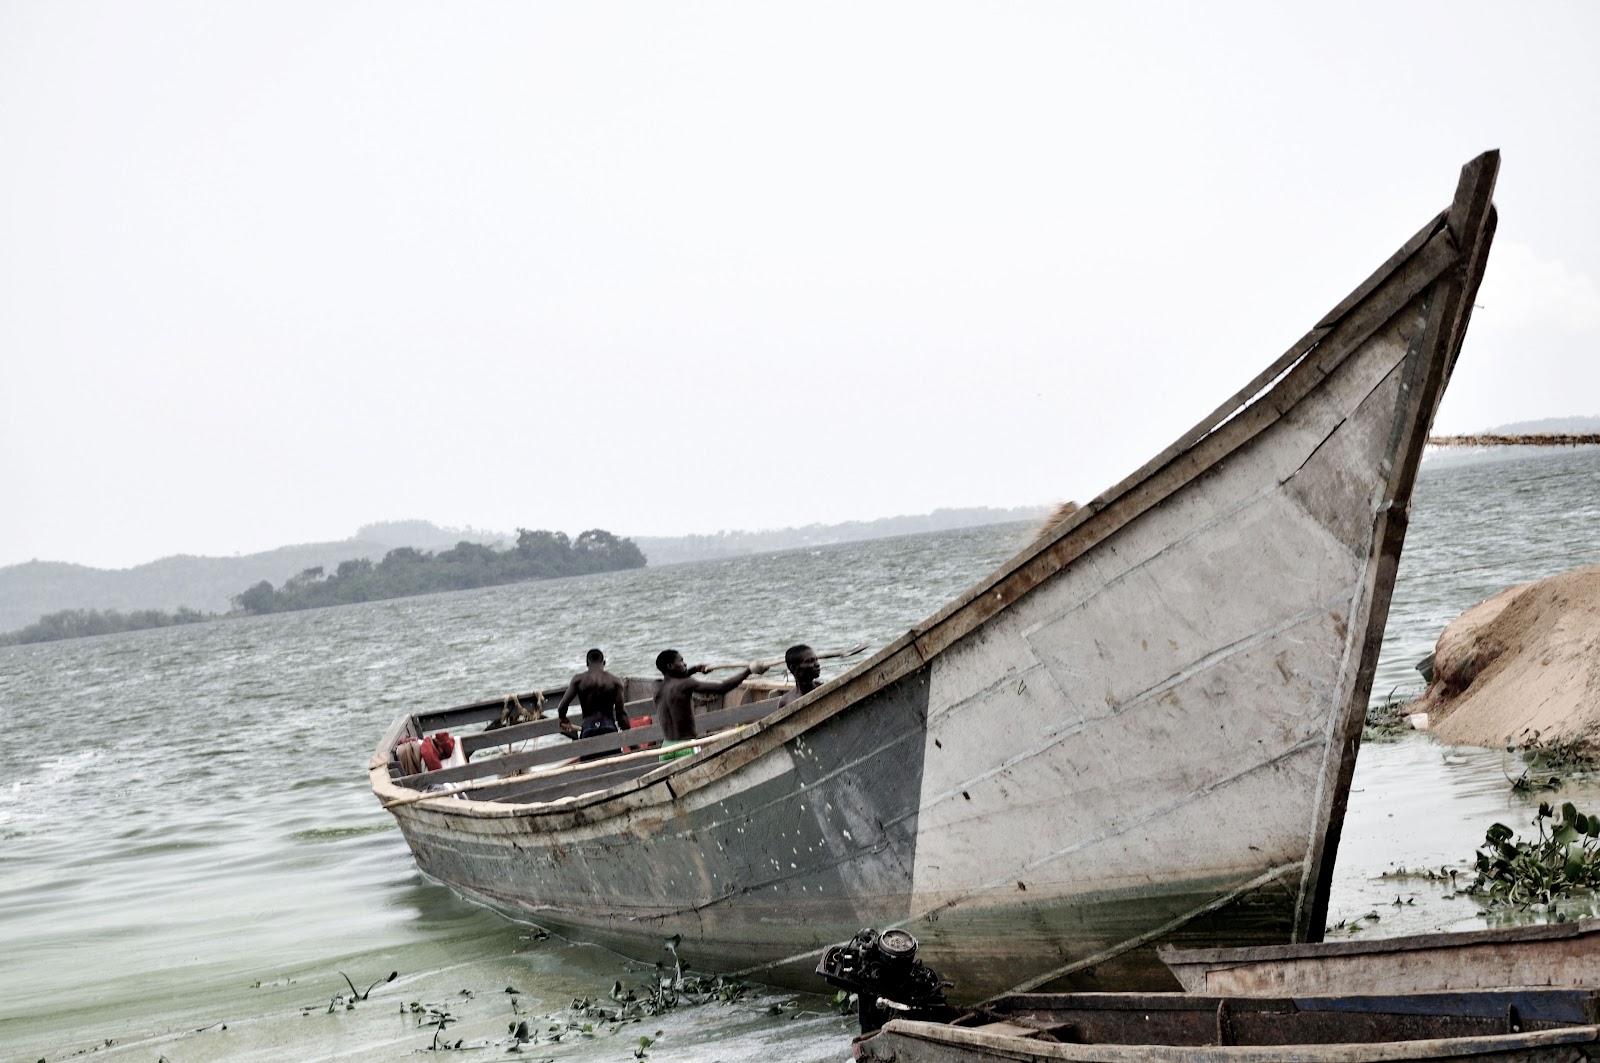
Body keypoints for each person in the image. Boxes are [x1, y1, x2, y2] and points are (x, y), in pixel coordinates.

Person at [653, 649, 768, 742]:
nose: (685, 664)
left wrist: (695, 669)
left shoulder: (656, 686)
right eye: (681, 661)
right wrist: (748, 671)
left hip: (667, 747)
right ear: (670, 666)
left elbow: (674, 681)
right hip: (686, 746)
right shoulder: (686, 684)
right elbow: (722, 688)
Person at [555, 649, 631, 752]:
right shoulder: (615, 681)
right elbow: (621, 714)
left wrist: (563, 718)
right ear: (604, 663)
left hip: (588, 728)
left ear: (587, 663)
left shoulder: (578, 680)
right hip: (608, 726)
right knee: (613, 763)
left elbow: (562, 706)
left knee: (588, 763)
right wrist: (632, 742)